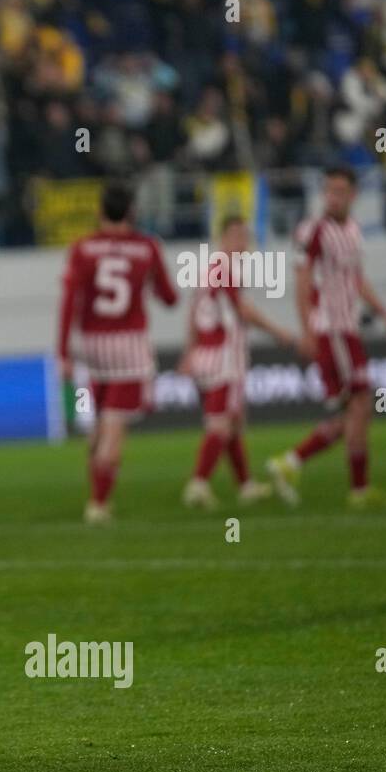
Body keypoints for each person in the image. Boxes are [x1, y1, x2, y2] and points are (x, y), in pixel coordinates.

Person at [266, 166, 386, 508]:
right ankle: (358, 489)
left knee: (355, 411)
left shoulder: (354, 231)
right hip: (331, 330)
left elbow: (356, 280)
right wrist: (308, 331)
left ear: (353, 195)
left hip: (348, 329)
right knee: (360, 405)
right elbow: (301, 281)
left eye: (339, 191)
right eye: (328, 190)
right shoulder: (313, 231)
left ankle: (291, 462)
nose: (332, 197)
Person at [57, 182, 178, 523]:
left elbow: (70, 301)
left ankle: (96, 480)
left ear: (100, 212)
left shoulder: (83, 249)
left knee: (100, 426)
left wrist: (62, 352)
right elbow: (169, 297)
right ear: (133, 212)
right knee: (114, 428)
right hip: (130, 349)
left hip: (92, 348)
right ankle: (98, 503)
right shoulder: (147, 247)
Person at [179, 216, 297, 508]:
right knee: (221, 424)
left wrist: (190, 352)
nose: (241, 243)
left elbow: (194, 313)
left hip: (206, 356)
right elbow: (242, 311)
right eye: (235, 236)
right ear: (222, 239)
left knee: (233, 422)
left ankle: (245, 485)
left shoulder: (210, 270)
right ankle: (199, 482)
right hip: (225, 359)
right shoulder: (225, 269)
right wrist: (277, 331)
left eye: (244, 237)